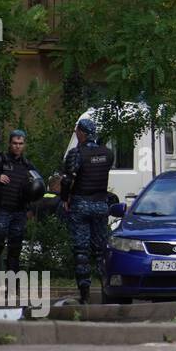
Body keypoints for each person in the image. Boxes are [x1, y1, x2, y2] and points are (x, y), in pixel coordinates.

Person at [61, 117, 114, 304]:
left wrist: (64, 199)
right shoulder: (107, 154)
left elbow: (67, 180)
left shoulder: (76, 154)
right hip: (101, 205)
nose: (76, 134)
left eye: (77, 131)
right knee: (100, 251)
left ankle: (85, 294)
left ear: (82, 133)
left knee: (81, 252)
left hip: (80, 205)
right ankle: (107, 291)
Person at [0, 129, 43, 278]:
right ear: (9, 144)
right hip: (2, 209)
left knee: (15, 249)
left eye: (21, 143)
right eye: (15, 143)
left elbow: (38, 187)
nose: (17, 146)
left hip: (19, 211)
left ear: (24, 145)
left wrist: (30, 207)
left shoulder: (28, 166)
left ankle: (12, 285)